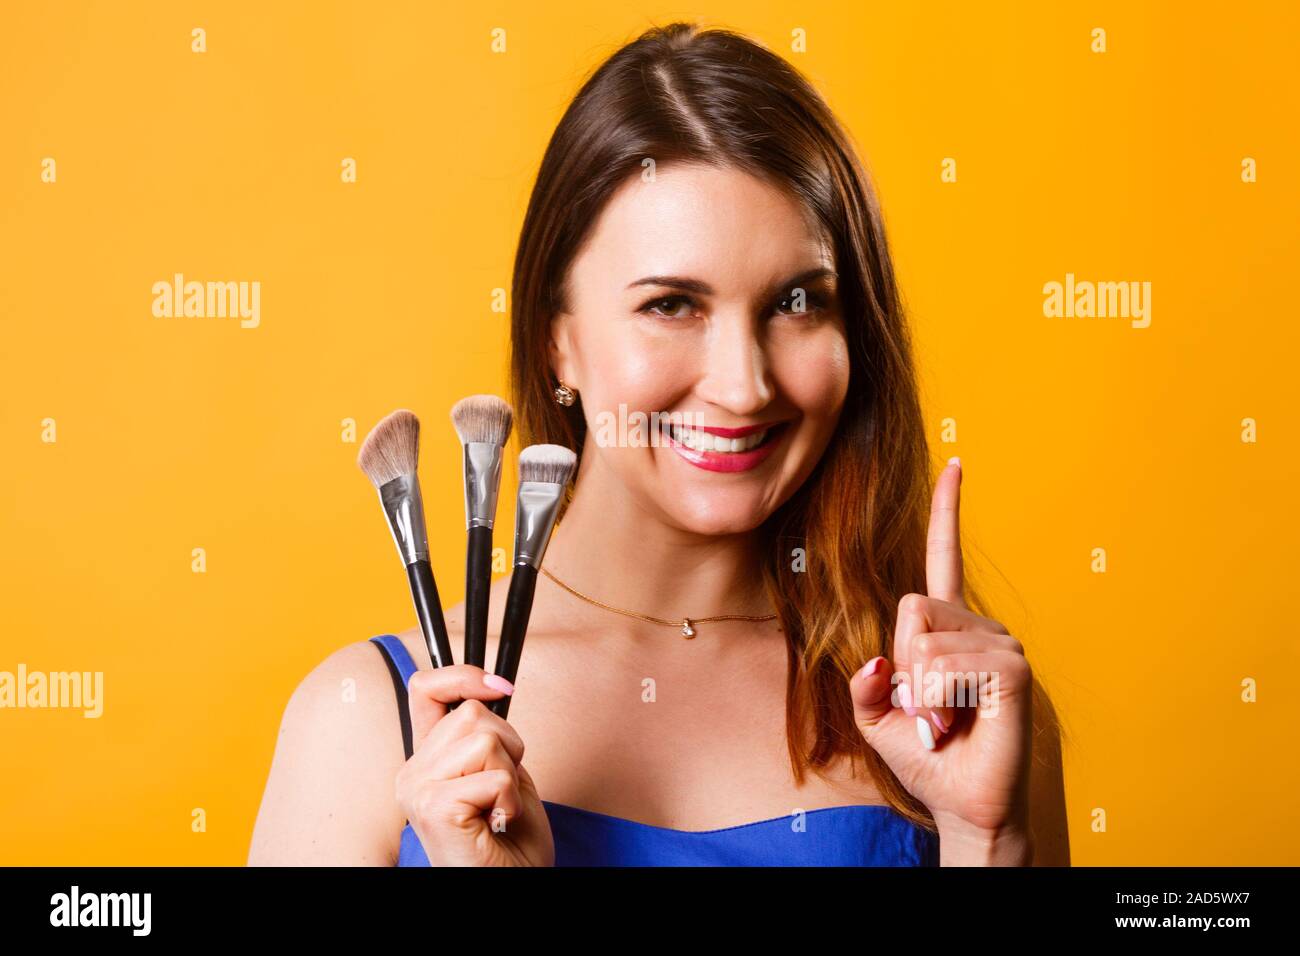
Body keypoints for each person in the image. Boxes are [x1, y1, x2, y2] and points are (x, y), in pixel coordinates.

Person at [249, 21, 1069, 866]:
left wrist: (987, 838)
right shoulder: (363, 720)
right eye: (672, 305)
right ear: (556, 340)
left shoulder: (958, 712)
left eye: (795, 302)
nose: (744, 384)